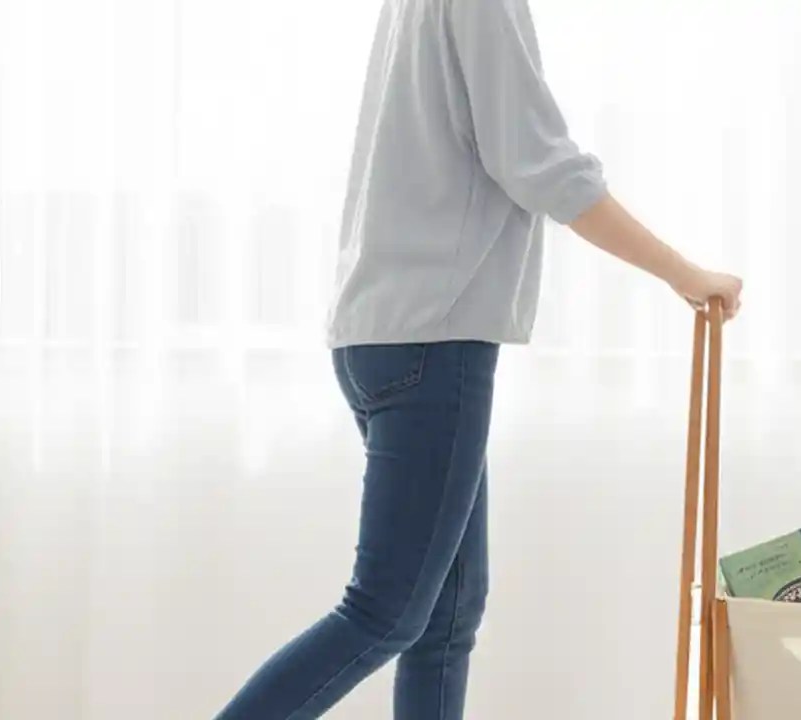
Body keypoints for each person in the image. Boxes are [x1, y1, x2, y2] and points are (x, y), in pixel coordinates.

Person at [214, 0, 742, 717]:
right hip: (432, 340)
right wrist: (681, 270)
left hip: (387, 332)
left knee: (446, 615)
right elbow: (542, 165)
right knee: (387, 612)